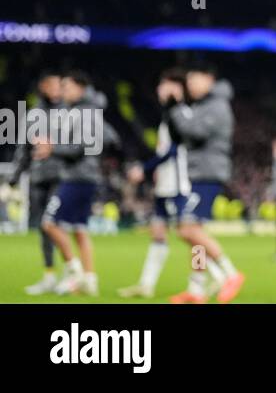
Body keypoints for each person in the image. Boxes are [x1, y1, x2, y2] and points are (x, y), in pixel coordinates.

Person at [163, 66, 245, 303]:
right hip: (198, 172)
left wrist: (177, 107)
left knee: (188, 228)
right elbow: (180, 135)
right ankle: (196, 289)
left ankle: (230, 273)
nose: (191, 85)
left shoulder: (217, 105)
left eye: (194, 79)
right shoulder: (203, 105)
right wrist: (172, 109)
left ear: (210, 79)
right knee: (191, 234)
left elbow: (195, 132)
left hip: (208, 173)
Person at [38, 71, 118, 297]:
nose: (63, 92)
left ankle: (76, 273)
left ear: (81, 89)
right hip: (85, 176)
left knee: (50, 223)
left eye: (67, 87)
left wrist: (51, 148)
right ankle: (90, 279)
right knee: (79, 230)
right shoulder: (82, 111)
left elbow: (78, 148)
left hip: (77, 177)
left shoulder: (84, 113)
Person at [120, 68, 191, 298]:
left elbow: (172, 151)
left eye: (164, 85)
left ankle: (217, 276)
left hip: (179, 186)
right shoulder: (169, 116)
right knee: (158, 232)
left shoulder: (182, 115)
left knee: (193, 235)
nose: (159, 90)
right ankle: (146, 284)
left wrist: (145, 168)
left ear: (176, 88)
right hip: (165, 185)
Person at [15, 72, 64, 295]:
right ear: (43, 86)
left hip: (62, 176)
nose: (57, 88)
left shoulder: (69, 111)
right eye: (53, 84)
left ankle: (71, 273)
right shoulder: (34, 113)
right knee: (45, 228)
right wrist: (15, 176)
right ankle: (50, 274)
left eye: (59, 84)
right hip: (39, 177)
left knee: (56, 225)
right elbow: (24, 147)